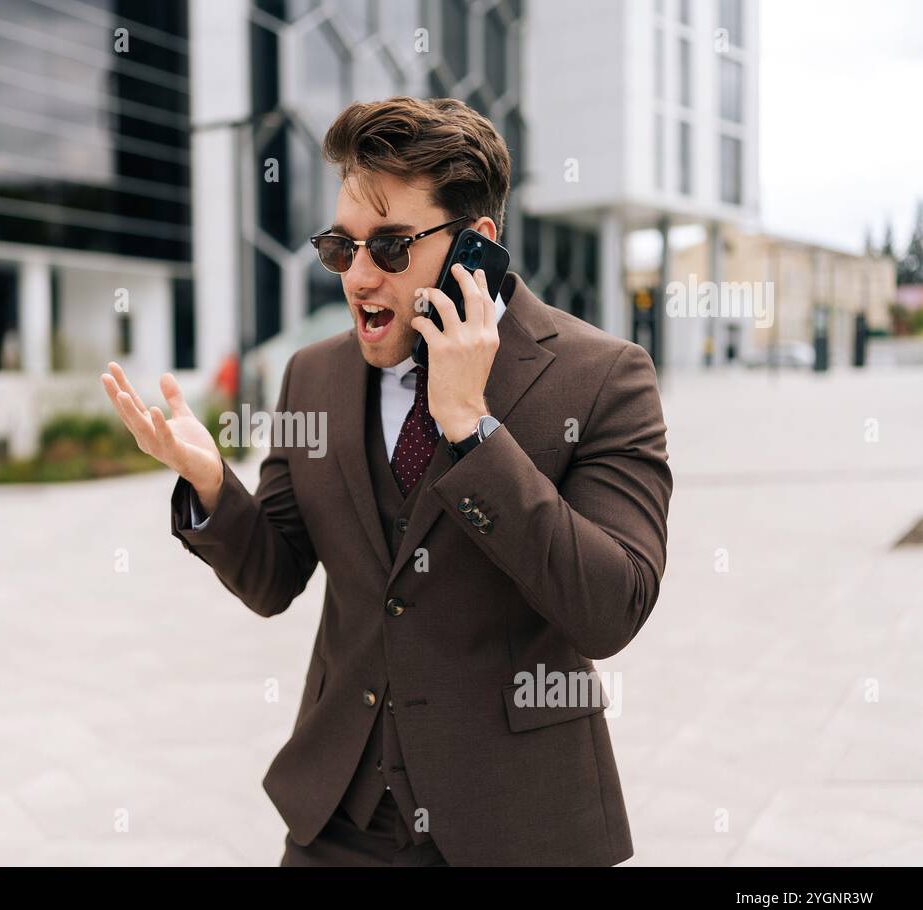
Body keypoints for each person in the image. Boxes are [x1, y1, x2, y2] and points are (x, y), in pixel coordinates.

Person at [101, 96, 672, 866]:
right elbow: (274, 578)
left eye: (392, 247)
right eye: (343, 246)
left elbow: (611, 610)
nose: (360, 276)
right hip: (339, 820)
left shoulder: (603, 378)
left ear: (477, 244)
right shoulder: (315, 375)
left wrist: (473, 428)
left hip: (517, 828)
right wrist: (210, 483)